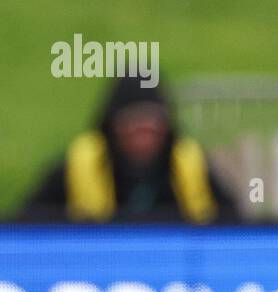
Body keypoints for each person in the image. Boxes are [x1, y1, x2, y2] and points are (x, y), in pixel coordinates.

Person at [23, 73, 238, 222]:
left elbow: (231, 220)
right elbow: (29, 222)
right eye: (133, 127)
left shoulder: (188, 163)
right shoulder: (81, 164)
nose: (143, 138)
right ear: (113, 128)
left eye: (152, 127)